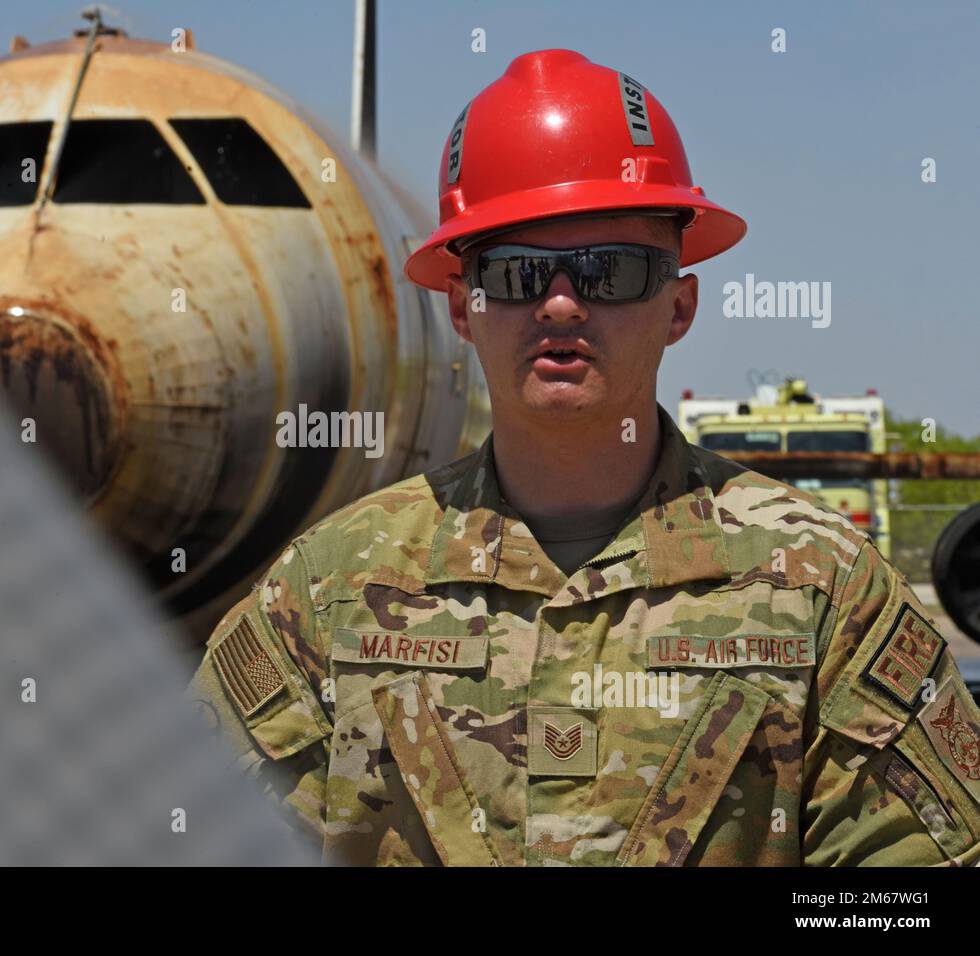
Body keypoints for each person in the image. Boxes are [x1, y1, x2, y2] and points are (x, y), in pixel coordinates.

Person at [188, 49, 980, 866]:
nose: (561, 302)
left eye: (611, 271)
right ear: (464, 307)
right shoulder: (329, 593)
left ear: (679, 305)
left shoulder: (822, 588)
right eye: (517, 272)